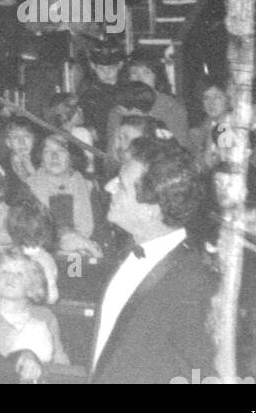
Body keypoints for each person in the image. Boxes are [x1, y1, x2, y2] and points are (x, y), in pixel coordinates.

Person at [92, 136, 218, 384]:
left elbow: (199, 373)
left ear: (151, 209)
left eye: (122, 186)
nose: (109, 187)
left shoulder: (194, 282)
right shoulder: (127, 251)